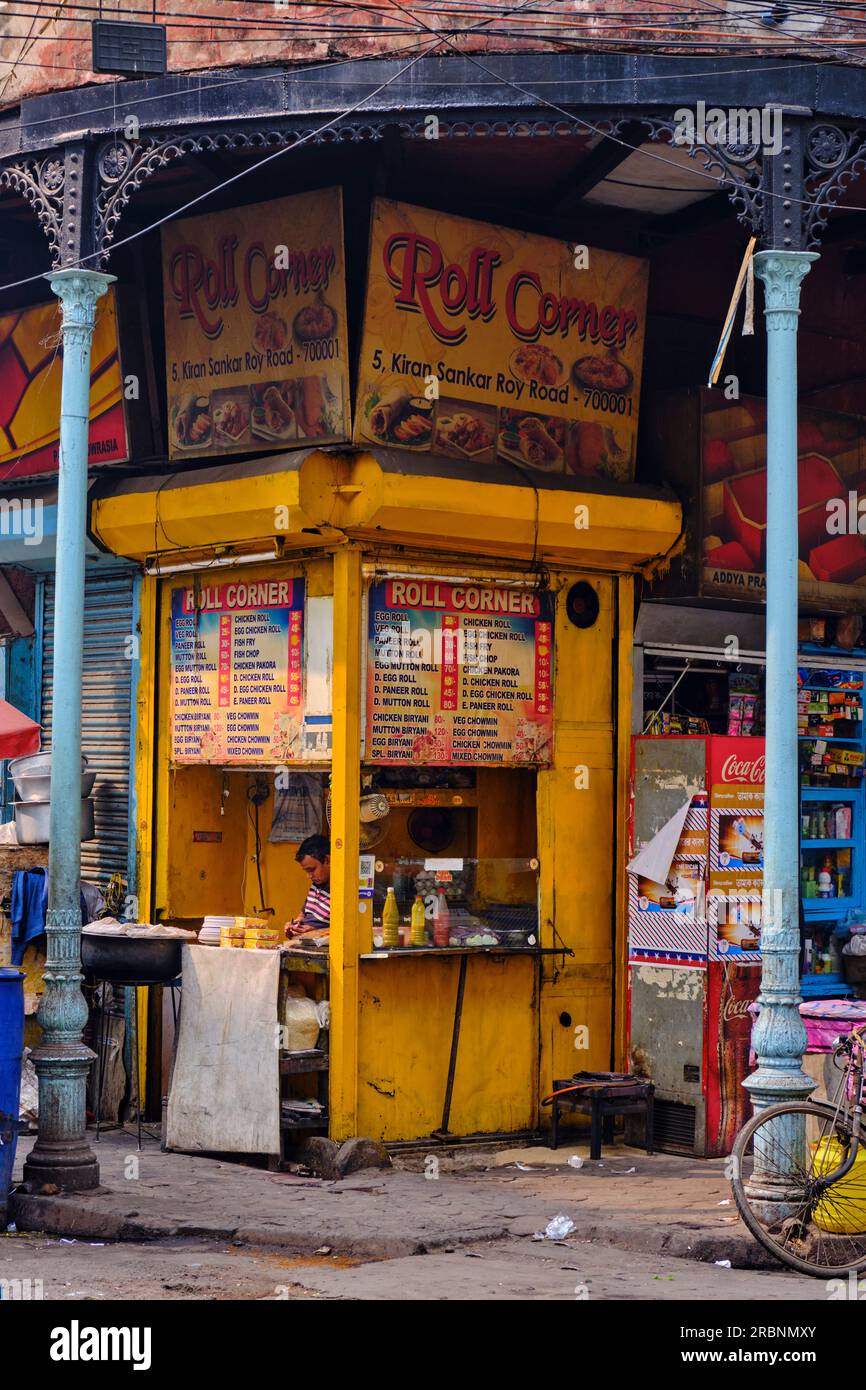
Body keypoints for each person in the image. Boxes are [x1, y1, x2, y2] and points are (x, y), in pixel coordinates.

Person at [286, 833, 330, 937]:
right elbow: (302, 915)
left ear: (327, 860)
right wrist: (294, 926)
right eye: (306, 871)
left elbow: (344, 928)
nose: (309, 876)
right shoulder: (316, 885)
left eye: (312, 870)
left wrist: (315, 932)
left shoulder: (342, 889)